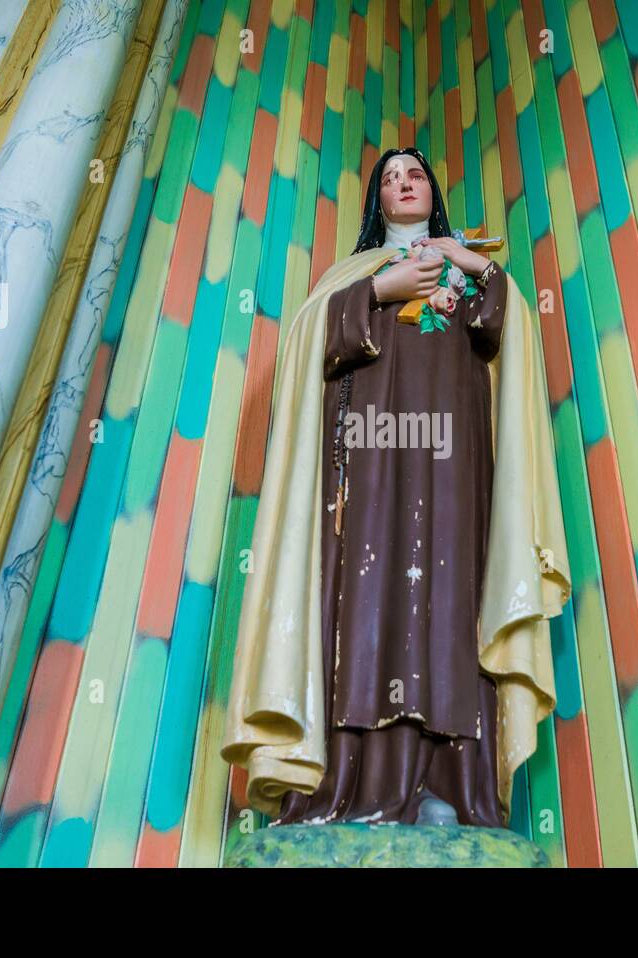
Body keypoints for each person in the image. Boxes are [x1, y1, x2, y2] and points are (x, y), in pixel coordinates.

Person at [222, 147, 571, 831]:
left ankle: (451, 786)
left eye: (414, 175)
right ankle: (348, 787)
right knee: (363, 597)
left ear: (432, 192)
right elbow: (306, 347)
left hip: (453, 459)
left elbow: (506, 330)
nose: (403, 184)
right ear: (377, 202)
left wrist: (474, 265)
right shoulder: (351, 276)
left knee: (450, 596)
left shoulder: (468, 267)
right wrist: (380, 290)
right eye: (390, 178)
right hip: (367, 460)